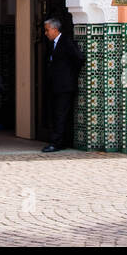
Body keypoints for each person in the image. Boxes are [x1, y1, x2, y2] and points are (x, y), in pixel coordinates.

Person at [41, 17, 83, 153]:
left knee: (60, 114)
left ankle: (57, 143)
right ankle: (59, 141)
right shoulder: (51, 44)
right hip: (54, 86)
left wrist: (68, 75)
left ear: (54, 29)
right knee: (54, 114)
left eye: (47, 30)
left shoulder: (66, 42)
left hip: (64, 87)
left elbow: (79, 59)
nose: (46, 33)